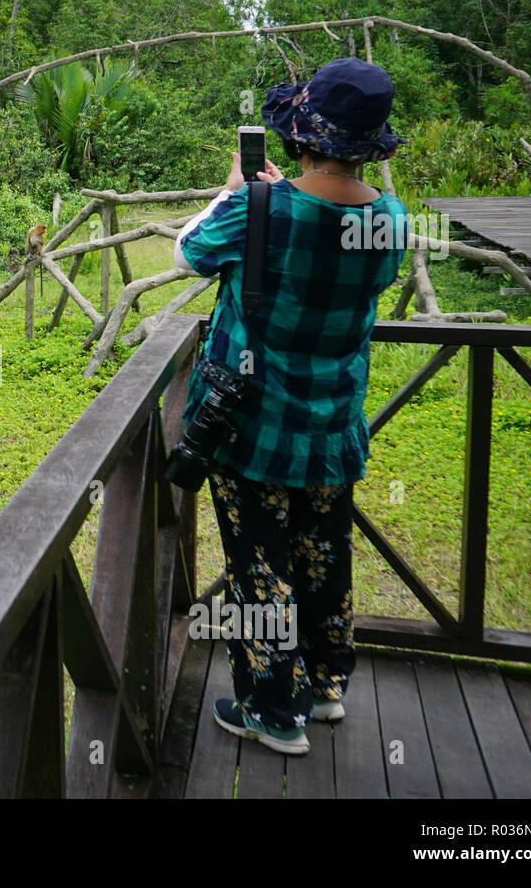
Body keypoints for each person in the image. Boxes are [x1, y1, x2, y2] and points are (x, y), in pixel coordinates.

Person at [172, 58, 409, 755]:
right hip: (332, 426)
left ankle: (275, 711)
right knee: (325, 555)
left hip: (255, 428)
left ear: (302, 136)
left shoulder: (258, 209)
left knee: (260, 567)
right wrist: (282, 198)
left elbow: (189, 252)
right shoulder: (390, 221)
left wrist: (240, 196)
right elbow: (337, 233)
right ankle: (327, 688)